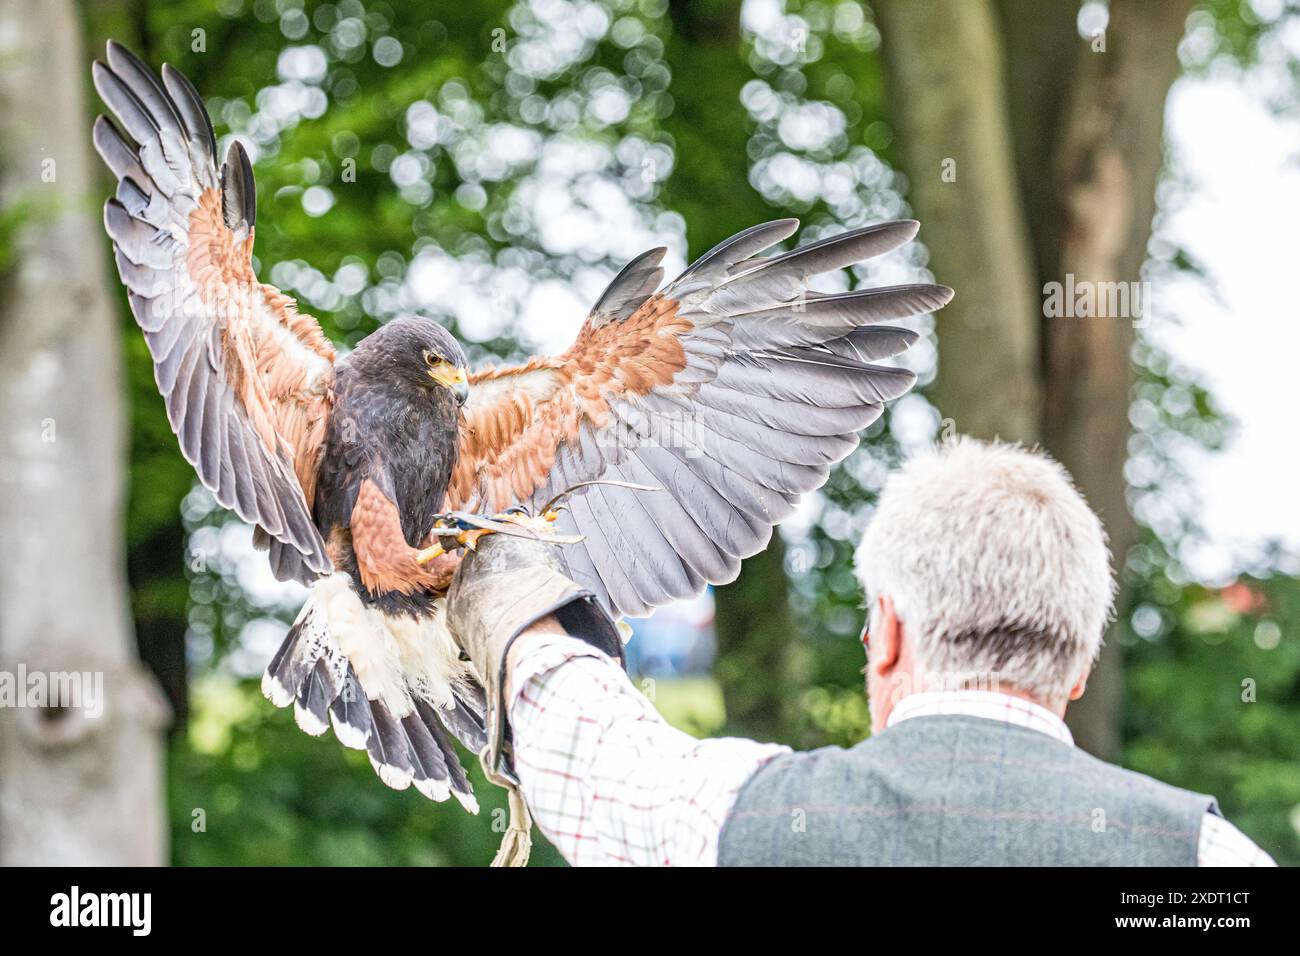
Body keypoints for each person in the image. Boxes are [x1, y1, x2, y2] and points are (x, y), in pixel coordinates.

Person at [446, 438, 1275, 866]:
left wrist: (520, 610)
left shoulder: (741, 819)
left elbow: (594, 761)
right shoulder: (1200, 858)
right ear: (1078, 663)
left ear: (891, 635)